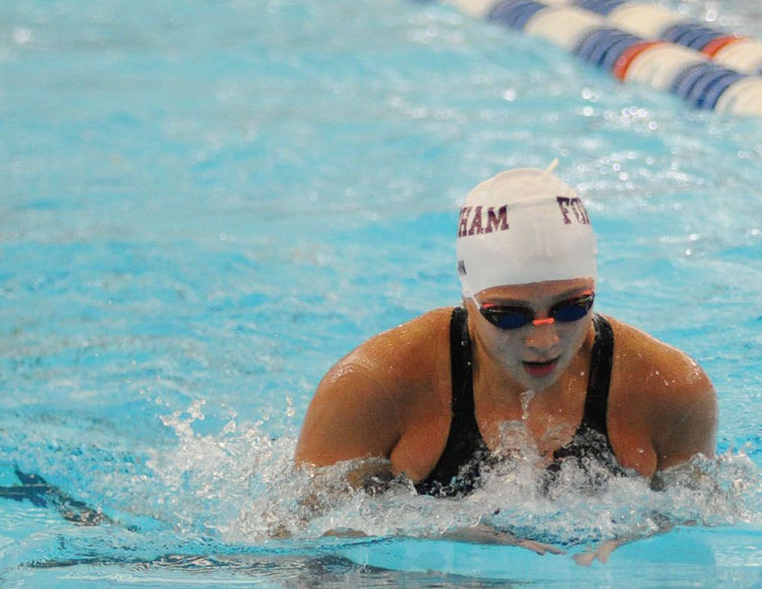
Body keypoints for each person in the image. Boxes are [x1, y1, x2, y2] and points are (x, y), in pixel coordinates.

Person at [293, 166, 716, 563]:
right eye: (508, 314)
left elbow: (701, 532)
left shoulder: (671, 390)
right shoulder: (375, 387)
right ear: (467, 298)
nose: (544, 339)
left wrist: (640, 540)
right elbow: (291, 542)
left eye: (571, 307)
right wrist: (432, 537)